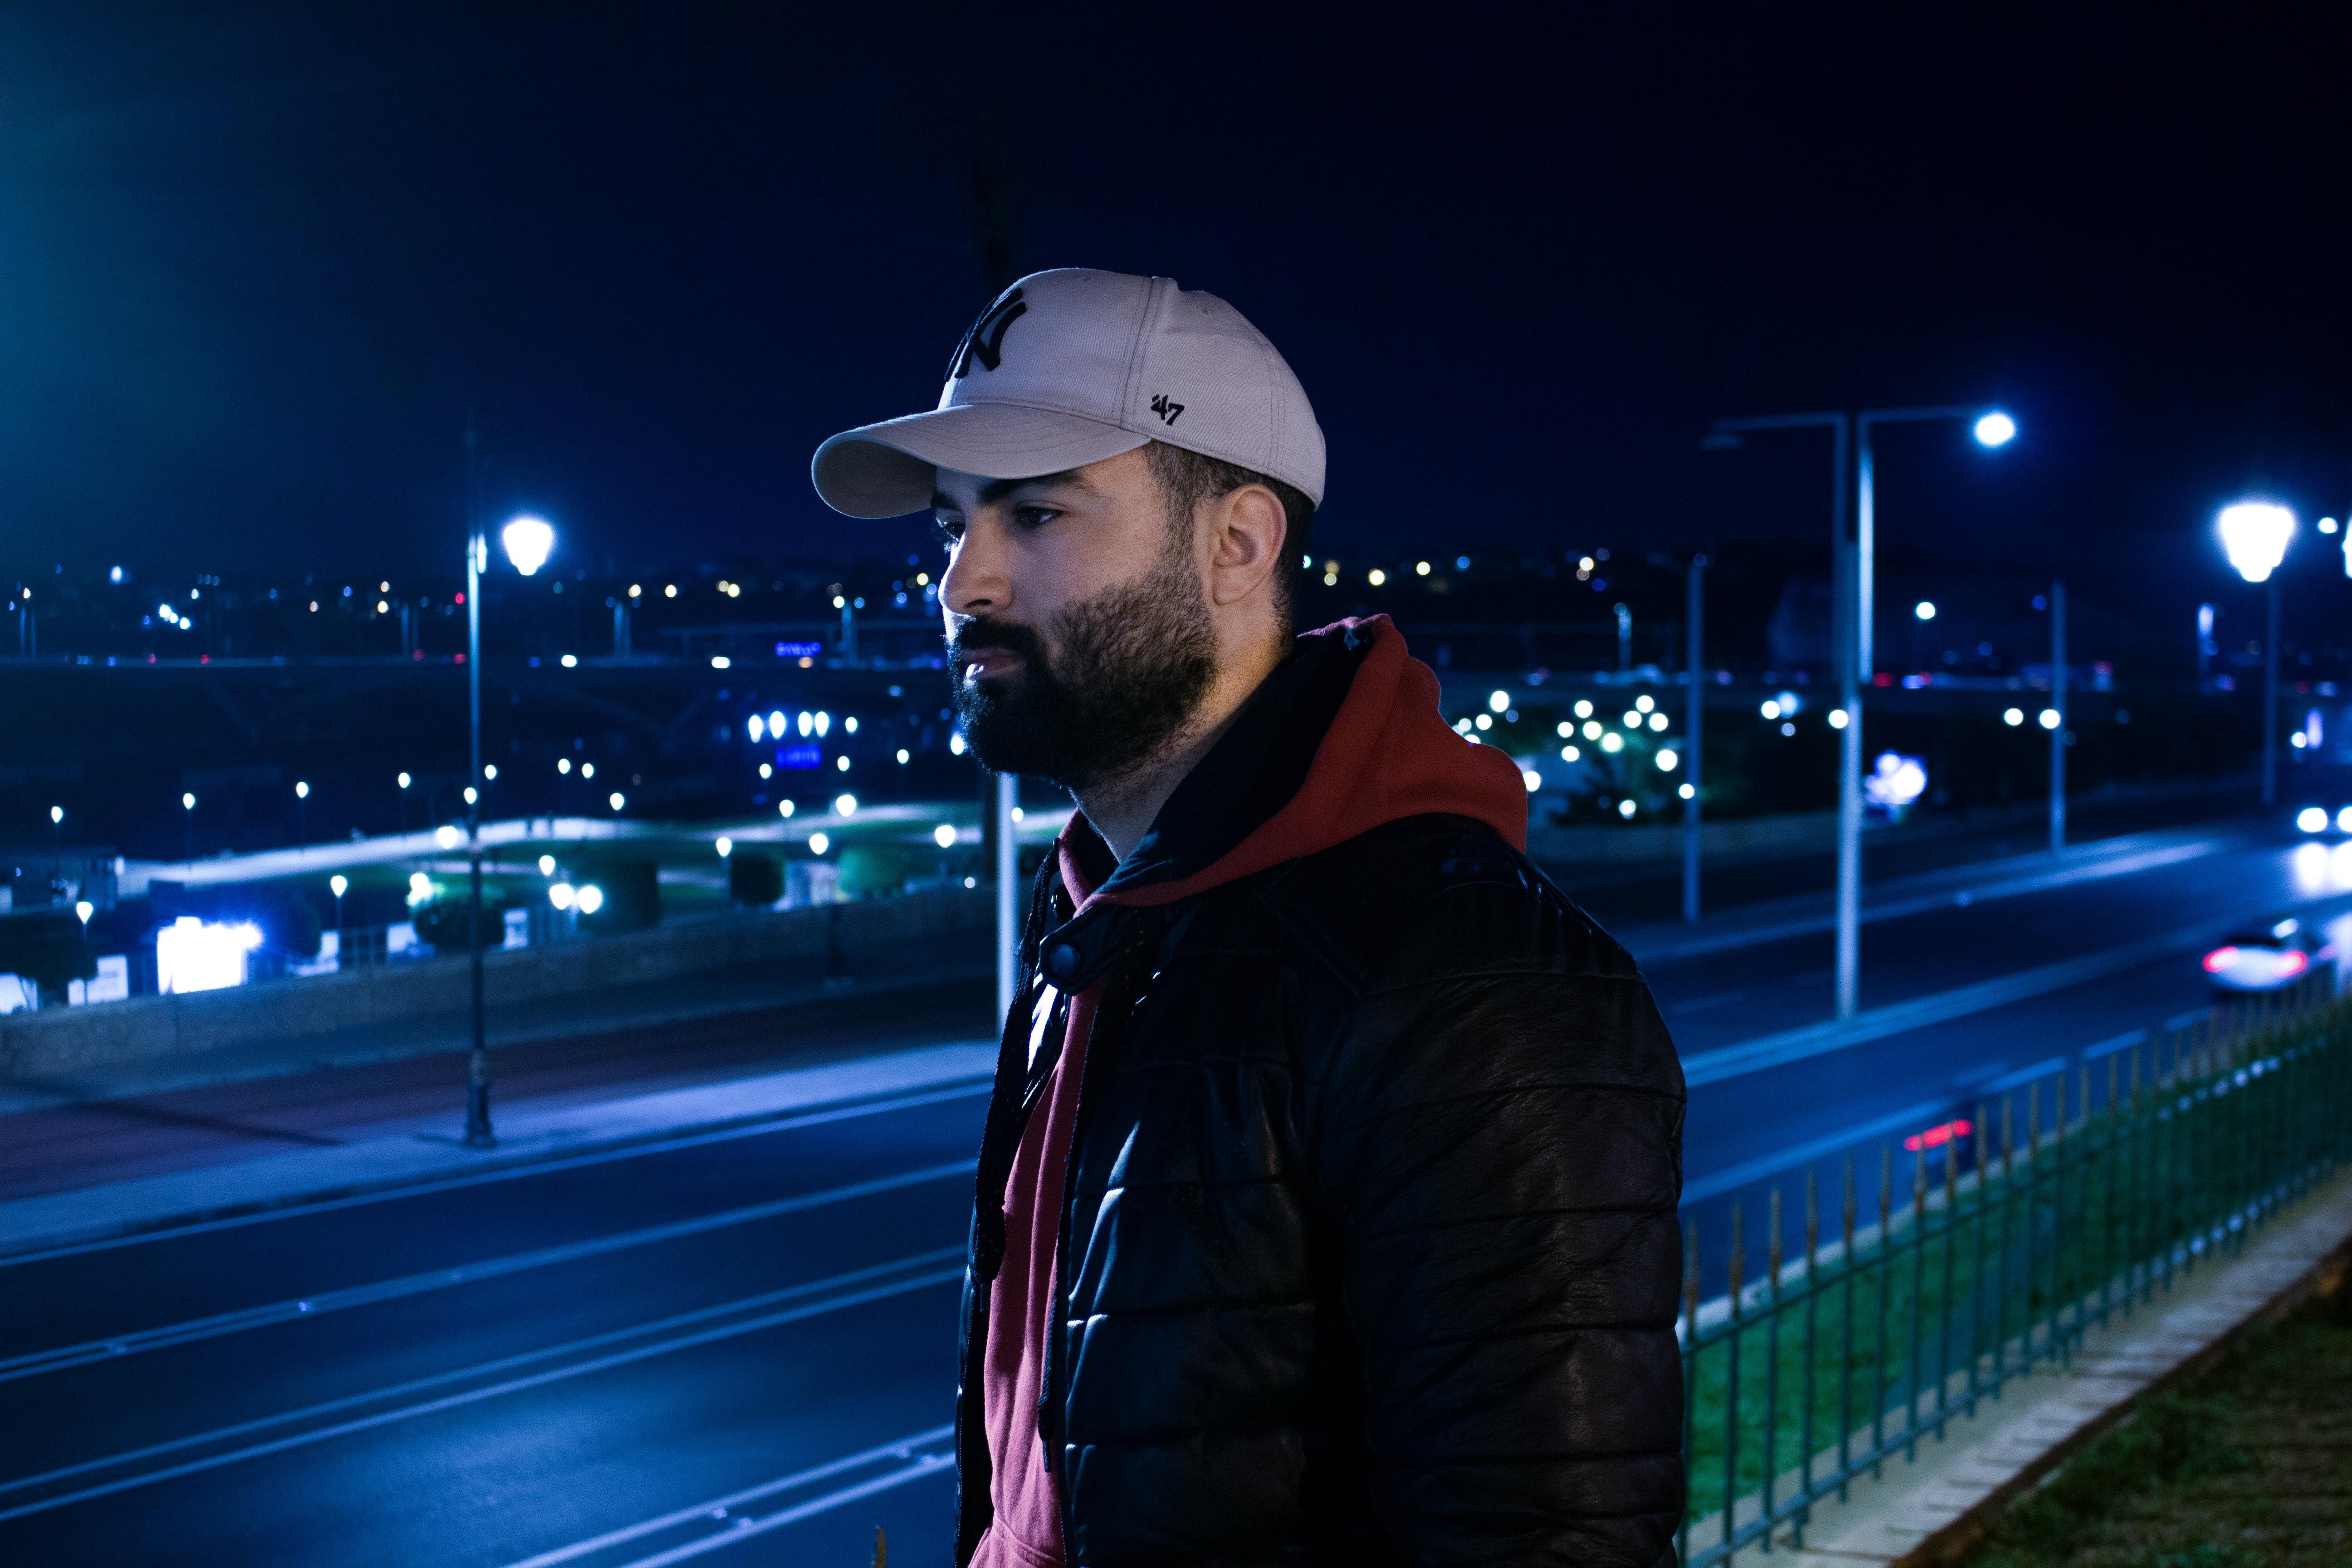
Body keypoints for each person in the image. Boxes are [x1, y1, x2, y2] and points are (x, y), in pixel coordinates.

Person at [813, 269, 1686, 1567]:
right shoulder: (1104, 926)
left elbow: (1545, 1538)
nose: (963, 583)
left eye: (1035, 513)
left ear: (1237, 544)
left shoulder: (1464, 978)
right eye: (951, 525)